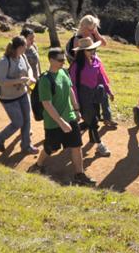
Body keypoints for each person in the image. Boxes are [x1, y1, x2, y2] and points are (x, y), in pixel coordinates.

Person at [35, 47, 95, 186]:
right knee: (52, 147)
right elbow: (47, 104)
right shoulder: (45, 80)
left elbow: (70, 90)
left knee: (76, 146)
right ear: (51, 60)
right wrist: (61, 122)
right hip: (54, 122)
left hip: (70, 117)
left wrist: (76, 109)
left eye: (64, 59)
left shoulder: (63, 72)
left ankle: (79, 175)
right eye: (60, 60)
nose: (63, 62)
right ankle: (38, 165)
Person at [69, 35, 114, 157]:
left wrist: (109, 91)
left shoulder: (96, 61)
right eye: (89, 49)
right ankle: (100, 146)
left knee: (92, 120)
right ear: (82, 51)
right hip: (83, 97)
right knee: (93, 122)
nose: (92, 51)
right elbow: (72, 86)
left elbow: (102, 78)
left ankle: (70, 131)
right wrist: (76, 103)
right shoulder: (75, 66)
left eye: (93, 49)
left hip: (95, 95)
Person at [0, 36, 37, 156]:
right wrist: (18, 80)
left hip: (22, 94)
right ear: (17, 47)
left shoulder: (22, 56)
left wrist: (31, 77)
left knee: (27, 120)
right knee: (18, 122)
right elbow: (0, 81)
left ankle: (26, 145)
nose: (26, 49)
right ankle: (0, 137)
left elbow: (29, 69)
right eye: (24, 47)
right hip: (8, 98)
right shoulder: (3, 61)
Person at [69, 14, 115, 128]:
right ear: (83, 27)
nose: (91, 30)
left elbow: (104, 43)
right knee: (87, 100)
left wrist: (96, 33)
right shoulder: (77, 39)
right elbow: (78, 58)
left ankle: (104, 118)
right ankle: (90, 120)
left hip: (93, 66)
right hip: (83, 70)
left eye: (93, 28)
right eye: (89, 28)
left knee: (101, 89)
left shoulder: (92, 35)